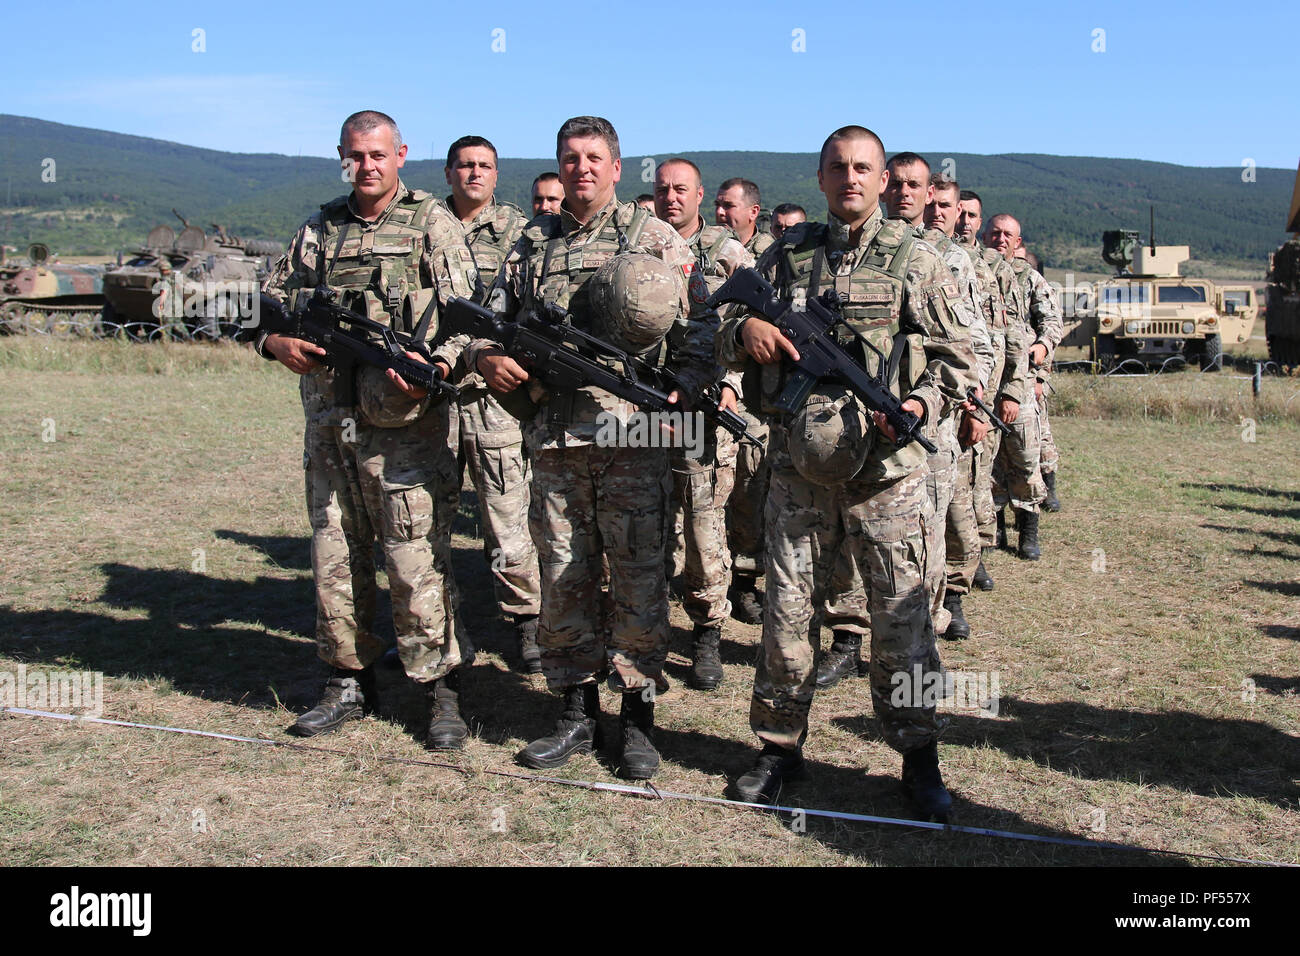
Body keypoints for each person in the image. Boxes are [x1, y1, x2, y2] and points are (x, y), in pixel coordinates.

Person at [717, 125, 977, 820]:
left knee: (903, 622)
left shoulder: (915, 260)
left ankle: (919, 759)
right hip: (799, 472)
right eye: (838, 168)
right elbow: (711, 328)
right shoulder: (787, 256)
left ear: (885, 177)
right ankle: (778, 750)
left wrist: (920, 400)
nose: (851, 180)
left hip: (888, 475)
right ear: (822, 176)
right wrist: (744, 333)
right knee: (787, 614)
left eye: (863, 168)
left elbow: (963, 358)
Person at [471, 116, 715, 780]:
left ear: (615, 167)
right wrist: (486, 355)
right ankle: (576, 714)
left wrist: (682, 393)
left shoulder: (655, 239)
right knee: (563, 581)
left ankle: (638, 720)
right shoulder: (528, 245)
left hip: (631, 443)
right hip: (554, 444)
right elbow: (483, 321)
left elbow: (700, 332)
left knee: (639, 582)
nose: (581, 167)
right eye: (569, 158)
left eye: (594, 157)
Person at [260, 110, 477, 749]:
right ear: (342, 157)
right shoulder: (318, 229)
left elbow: (469, 317)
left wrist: (437, 361)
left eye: (378, 154)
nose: (367, 166)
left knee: (415, 561)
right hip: (331, 426)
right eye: (355, 155)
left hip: (406, 428)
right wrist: (274, 341)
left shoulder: (431, 223)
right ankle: (346, 679)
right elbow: (266, 298)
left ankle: (438, 689)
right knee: (334, 554)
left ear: (401, 154)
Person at [653, 157, 754, 690]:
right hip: (644, 406)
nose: (672, 197)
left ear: (699, 196)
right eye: (663, 189)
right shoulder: (637, 245)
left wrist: (732, 385)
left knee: (701, 522)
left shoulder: (726, 253)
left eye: (682, 189)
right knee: (645, 519)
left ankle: (707, 633)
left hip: (703, 410)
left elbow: (746, 327)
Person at [443, 135, 542, 672]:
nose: (473, 174)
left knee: (507, 515)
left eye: (483, 166)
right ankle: (436, 627)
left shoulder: (520, 234)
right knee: (425, 520)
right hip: (431, 397)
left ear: (496, 176)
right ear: (448, 172)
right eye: (464, 165)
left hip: (492, 399)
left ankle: (527, 622)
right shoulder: (424, 227)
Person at [955, 191, 1038, 570]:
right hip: (953, 387)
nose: (963, 221)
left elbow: (1017, 336)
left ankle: (983, 551)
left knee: (985, 472)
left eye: (971, 214)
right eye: (962, 213)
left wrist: (1014, 390)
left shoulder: (997, 270)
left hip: (990, 389)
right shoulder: (937, 257)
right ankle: (969, 557)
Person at [985, 214, 1062, 559]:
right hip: (985, 383)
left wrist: (1041, 350)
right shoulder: (975, 271)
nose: (1001, 239)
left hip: (1022, 380)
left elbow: (1051, 323)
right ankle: (994, 527)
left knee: (1025, 456)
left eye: (1008, 235)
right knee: (988, 461)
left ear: (1018, 243)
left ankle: (1028, 531)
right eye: (996, 233)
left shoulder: (1029, 279)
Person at [715, 177, 774, 259]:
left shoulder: (772, 255)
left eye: (728, 205)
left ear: (753, 212)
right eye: (717, 205)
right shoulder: (703, 249)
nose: (719, 211)